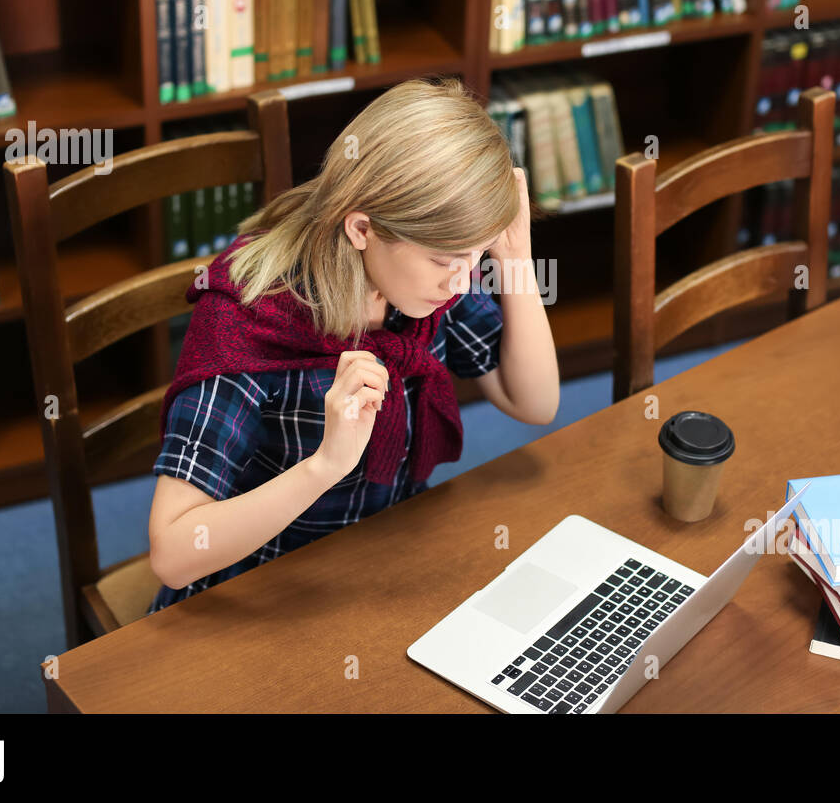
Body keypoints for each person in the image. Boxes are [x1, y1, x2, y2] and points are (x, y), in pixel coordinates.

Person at [146, 78, 560, 613]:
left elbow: (534, 402)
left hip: (381, 553)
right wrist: (325, 465)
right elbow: (174, 553)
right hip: (261, 586)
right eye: (446, 260)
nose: (462, 283)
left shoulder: (426, 283)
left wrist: (513, 259)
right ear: (362, 228)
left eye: (475, 256)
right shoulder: (248, 318)